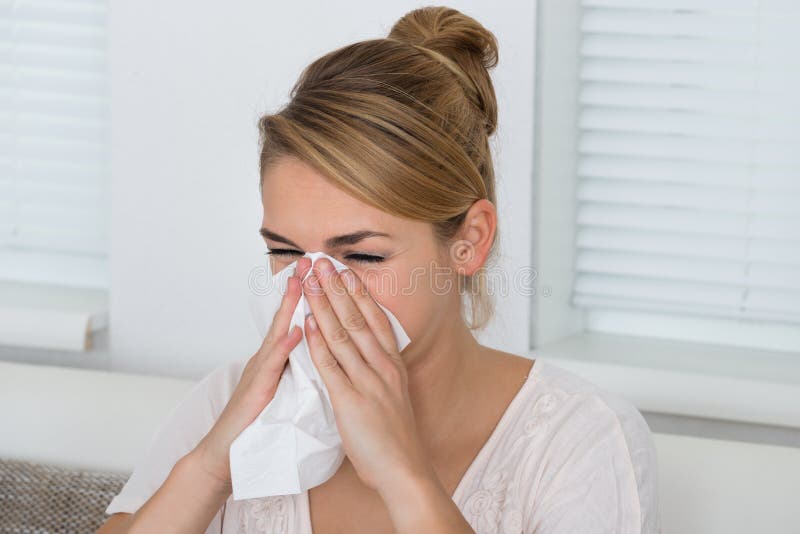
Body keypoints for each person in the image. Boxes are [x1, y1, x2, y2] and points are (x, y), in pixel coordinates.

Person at [97, 5, 661, 533]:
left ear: (469, 241)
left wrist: (402, 474)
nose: (314, 287)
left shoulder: (577, 440)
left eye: (362, 256)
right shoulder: (228, 402)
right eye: (286, 253)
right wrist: (214, 466)